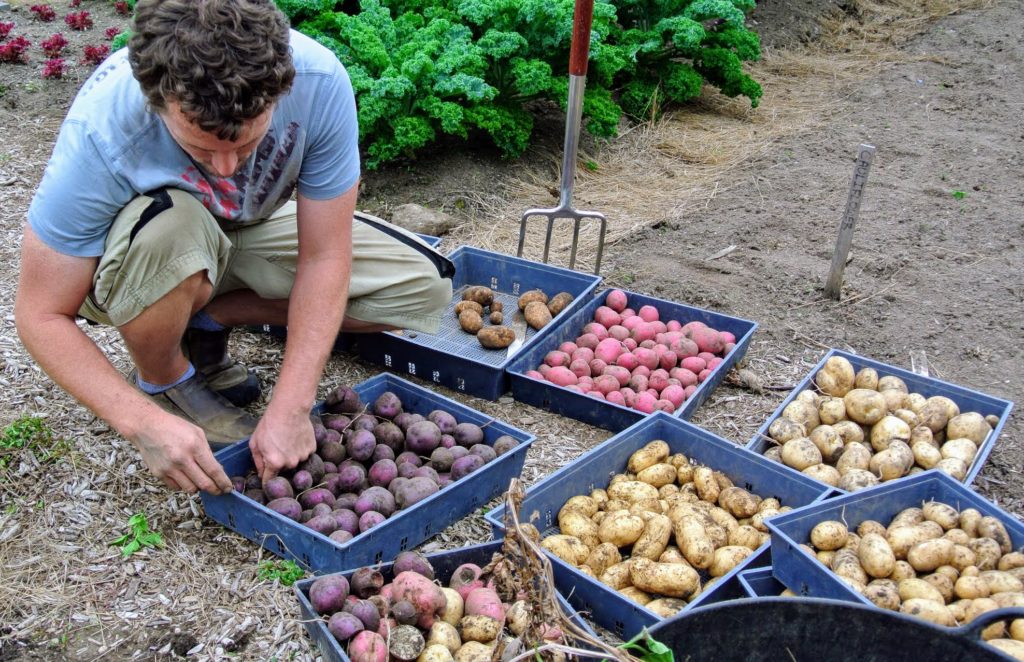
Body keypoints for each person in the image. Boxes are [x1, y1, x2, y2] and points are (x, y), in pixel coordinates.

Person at [14, 0, 453, 496]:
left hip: (249, 228)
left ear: (280, 90)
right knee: (173, 227)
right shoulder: (104, 126)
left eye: (245, 146)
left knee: (423, 290)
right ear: (156, 100)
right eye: (201, 149)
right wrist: (139, 423)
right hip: (148, 250)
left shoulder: (319, 83)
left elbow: (325, 255)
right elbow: (40, 314)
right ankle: (165, 378)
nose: (225, 170)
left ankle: (210, 316)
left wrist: (291, 403)